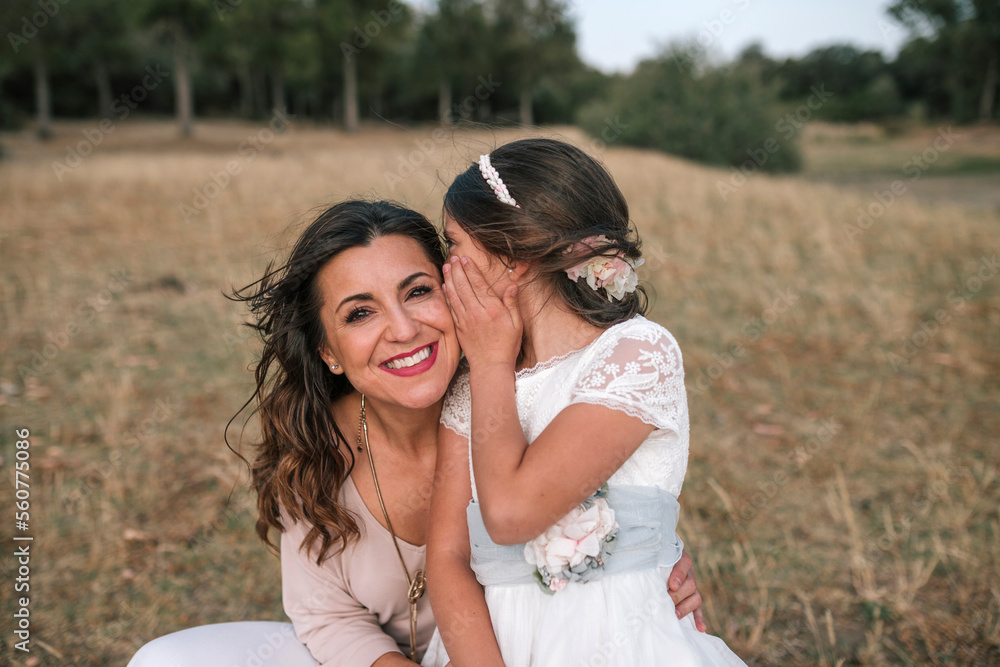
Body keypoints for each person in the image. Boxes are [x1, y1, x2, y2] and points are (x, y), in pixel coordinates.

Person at [127, 199, 705, 667]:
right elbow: (328, 619)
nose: (402, 329)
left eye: (418, 291)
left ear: (459, 291)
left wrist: (651, 568)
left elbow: (619, 483)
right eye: (360, 313)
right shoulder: (313, 448)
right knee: (167, 660)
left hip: (541, 647)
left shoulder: (525, 400)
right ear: (328, 351)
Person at [421, 139, 745, 666]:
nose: (446, 265)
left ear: (515, 256)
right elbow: (448, 557)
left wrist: (491, 362)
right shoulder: (472, 386)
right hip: (490, 645)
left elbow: (508, 514)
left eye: (454, 242)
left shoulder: (636, 354)